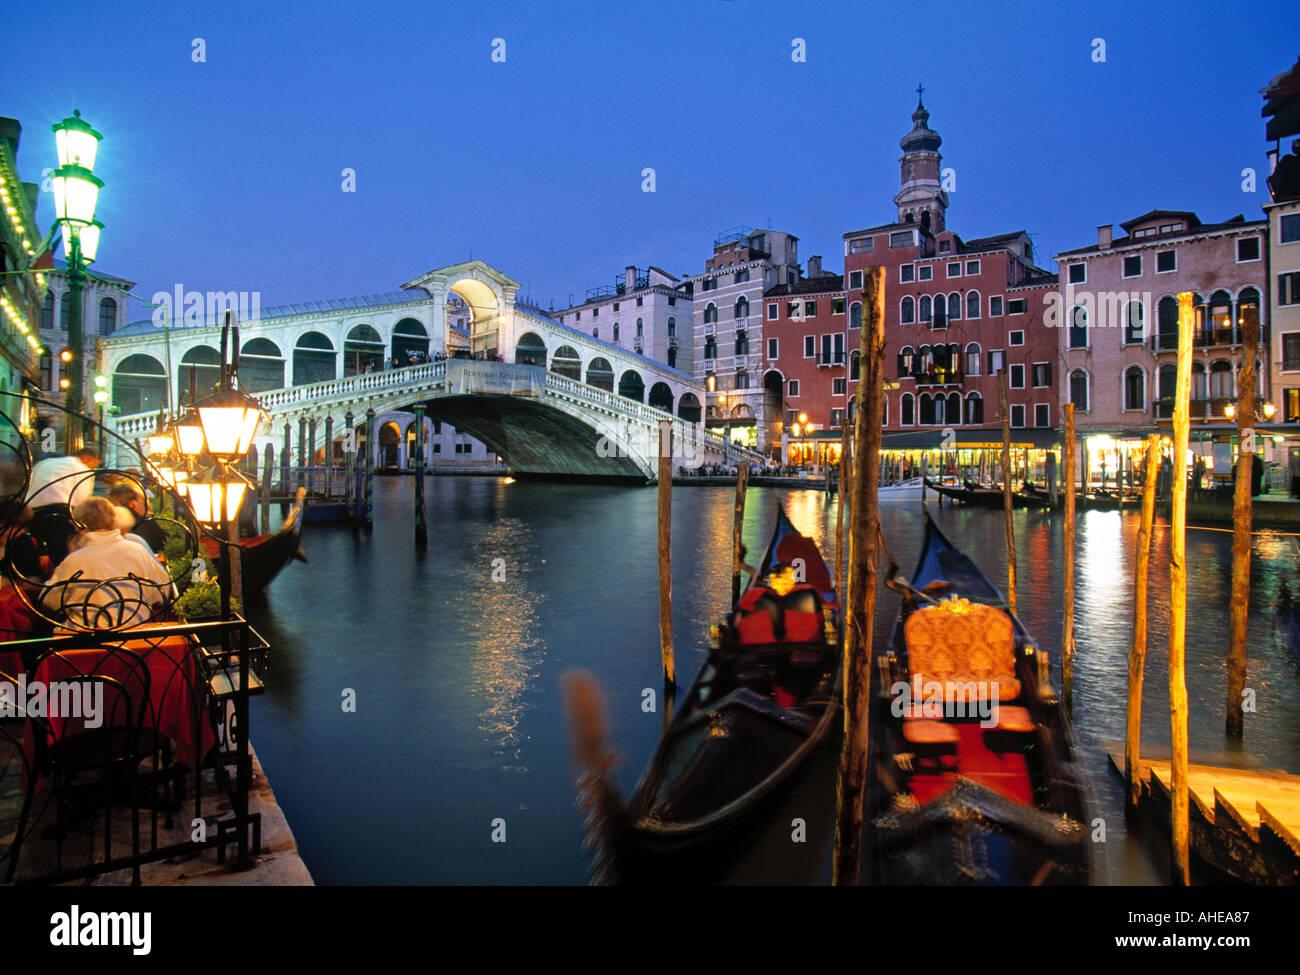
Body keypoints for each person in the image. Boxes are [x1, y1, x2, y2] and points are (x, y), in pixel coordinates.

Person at [41, 497, 173, 629]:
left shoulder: (75, 560)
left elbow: (50, 601)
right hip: (137, 633)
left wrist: (71, 555)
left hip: (89, 640)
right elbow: (162, 592)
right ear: (113, 519)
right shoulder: (137, 550)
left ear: (78, 525)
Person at [23, 448, 100, 566]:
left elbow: (27, 484)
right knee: (59, 556)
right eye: (93, 466)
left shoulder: (44, 463)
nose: (92, 469)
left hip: (32, 513)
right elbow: (81, 500)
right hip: (59, 515)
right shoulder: (82, 469)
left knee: (35, 553)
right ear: (88, 459)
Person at [107, 479, 167, 552]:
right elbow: (165, 543)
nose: (146, 506)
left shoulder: (109, 523)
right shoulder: (143, 523)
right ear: (133, 504)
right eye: (142, 501)